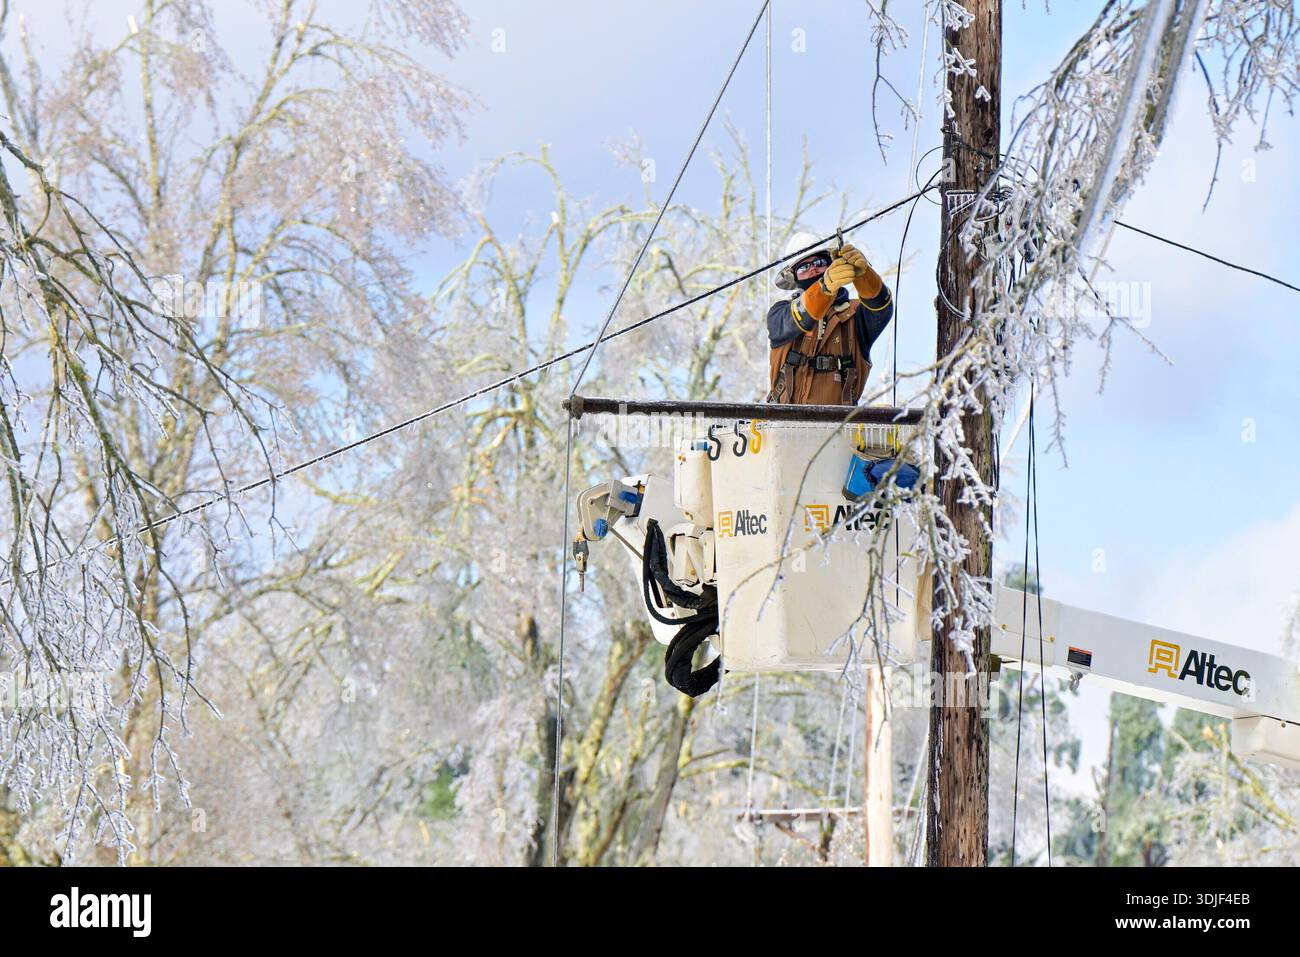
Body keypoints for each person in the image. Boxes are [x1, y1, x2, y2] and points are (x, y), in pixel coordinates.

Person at [766, 231, 894, 405]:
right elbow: (800, 315)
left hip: (839, 428)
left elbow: (882, 308)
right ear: (794, 277)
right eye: (804, 267)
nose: (813, 269)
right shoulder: (780, 314)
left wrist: (865, 276)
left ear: (829, 264)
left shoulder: (855, 316)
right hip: (786, 426)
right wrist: (824, 288)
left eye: (818, 262)